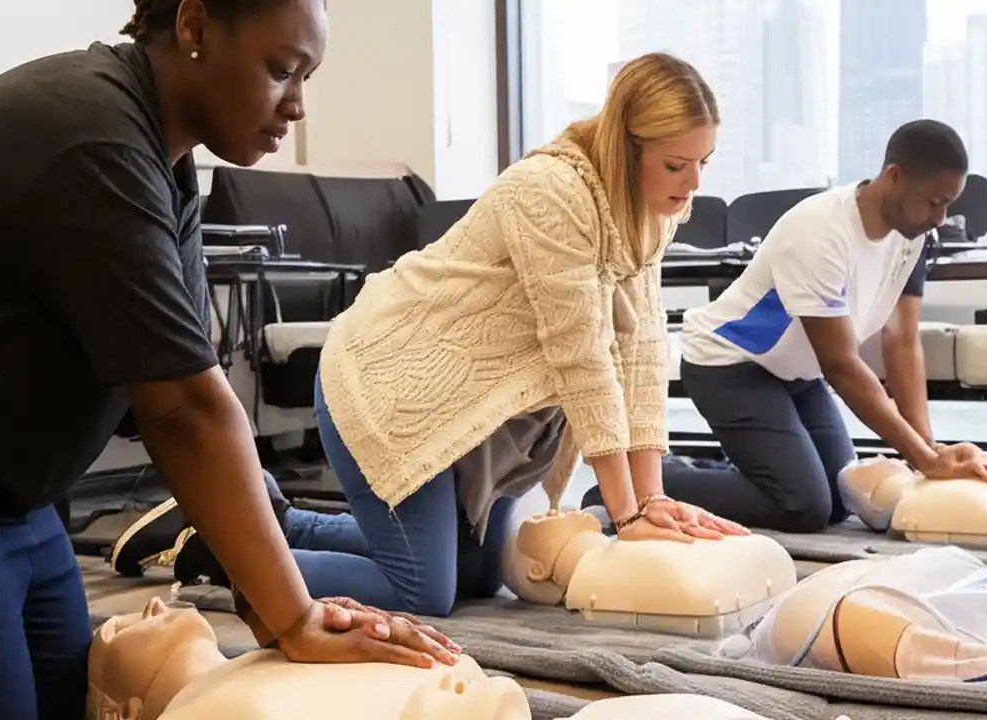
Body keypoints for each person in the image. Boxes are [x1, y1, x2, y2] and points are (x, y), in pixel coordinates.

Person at [0, 2, 456, 719]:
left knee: (73, 698)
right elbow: (183, 407)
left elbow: (180, 390)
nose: (298, 105)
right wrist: (293, 617)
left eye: (307, 76)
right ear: (194, 25)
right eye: (280, 70)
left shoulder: (162, 161)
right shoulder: (93, 137)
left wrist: (269, 604)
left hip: (10, 493)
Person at [124, 51, 750, 621]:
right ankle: (210, 549)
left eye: (703, 162)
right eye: (675, 164)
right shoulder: (553, 189)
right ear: (624, 146)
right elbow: (582, 355)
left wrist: (654, 499)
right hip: (390, 384)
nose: (693, 183)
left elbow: (638, 352)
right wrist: (628, 516)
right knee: (421, 591)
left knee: (478, 577)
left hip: (475, 416)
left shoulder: (651, 211)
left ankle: (275, 520)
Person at [596, 119, 987, 534]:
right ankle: (632, 490)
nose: (942, 217)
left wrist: (928, 452)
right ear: (894, 176)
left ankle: (743, 470)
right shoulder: (822, 232)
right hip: (731, 364)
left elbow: (902, 340)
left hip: (796, 373)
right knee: (803, 506)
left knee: (839, 498)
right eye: (935, 202)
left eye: (949, 204)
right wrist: (927, 460)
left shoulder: (914, 236)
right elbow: (841, 364)